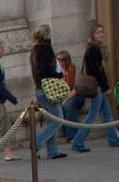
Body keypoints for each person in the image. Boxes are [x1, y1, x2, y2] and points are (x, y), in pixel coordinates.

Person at [70, 22, 119, 153]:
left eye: (102, 32)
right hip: (97, 86)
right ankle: (78, 142)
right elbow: (97, 70)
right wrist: (106, 86)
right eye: (97, 32)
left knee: (107, 113)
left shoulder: (93, 47)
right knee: (92, 115)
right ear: (93, 35)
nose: (101, 34)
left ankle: (113, 140)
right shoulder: (94, 49)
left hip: (97, 85)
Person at [29, 25, 67, 160]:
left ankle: (52, 151)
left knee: (50, 120)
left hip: (40, 89)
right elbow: (45, 71)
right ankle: (36, 142)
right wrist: (59, 74)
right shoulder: (45, 49)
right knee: (58, 120)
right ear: (47, 34)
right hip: (48, 89)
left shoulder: (35, 50)